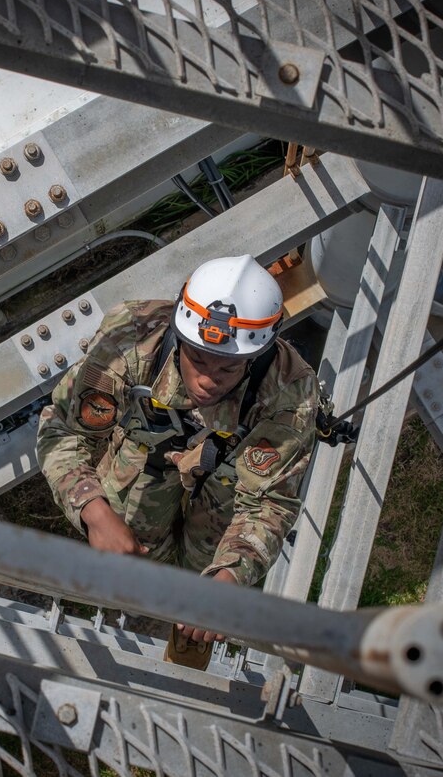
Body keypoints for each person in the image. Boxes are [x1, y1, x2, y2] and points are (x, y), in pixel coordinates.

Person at [35, 255, 319, 667]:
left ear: (257, 356)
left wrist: (228, 579)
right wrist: (95, 514)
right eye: (198, 359)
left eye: (228, 368)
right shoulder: (131, 340)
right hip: (146, 456)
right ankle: (144, 602)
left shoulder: (289, 393)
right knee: (131, 529)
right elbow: (61, 428)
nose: (207, 379)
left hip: (229, 480)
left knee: (210, 558)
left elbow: (270, 501)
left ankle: (191, 620)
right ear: (178, 336)